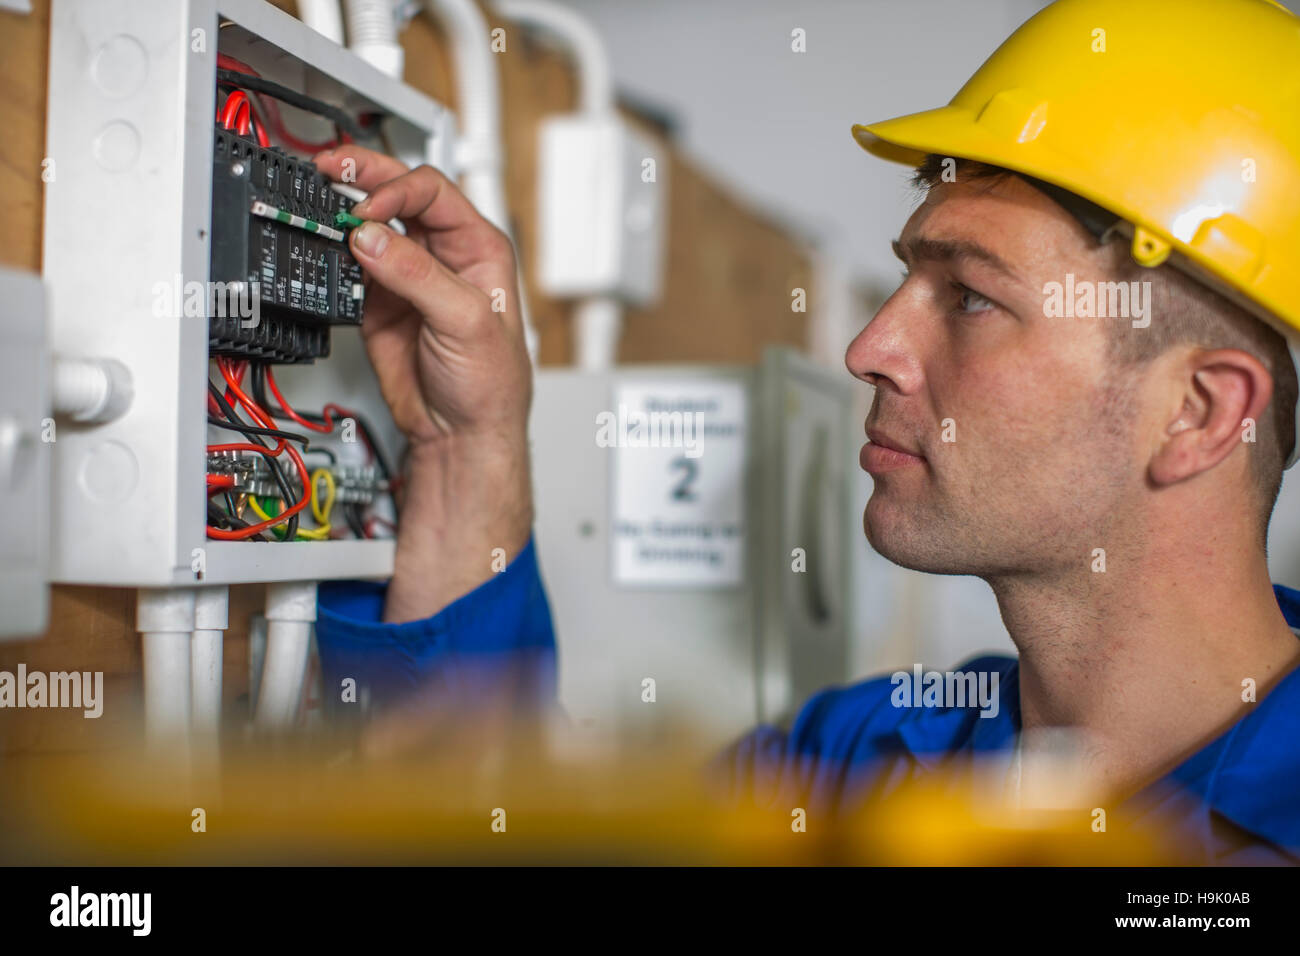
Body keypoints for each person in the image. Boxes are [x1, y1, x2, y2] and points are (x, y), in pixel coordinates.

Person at [310, 0, 1300, 862]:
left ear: (1197, 413)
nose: (870, 346)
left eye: (970, 297)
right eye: (910, 276)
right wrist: (465, 446)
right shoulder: (852, 764)